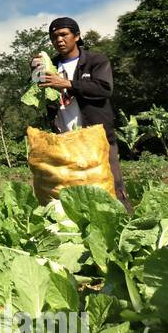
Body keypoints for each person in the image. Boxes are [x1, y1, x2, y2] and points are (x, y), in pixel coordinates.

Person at [29, 17, 132, 211]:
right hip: (64, 140)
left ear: (76, 36)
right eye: (54, 37)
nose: (58, 40)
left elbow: (104, 89)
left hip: (96, 137)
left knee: (109, 186)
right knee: (70, 188)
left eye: (63, 35)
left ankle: (125, 228)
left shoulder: (95, 61)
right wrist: (34, 72)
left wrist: (67, 83)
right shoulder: (50, 65)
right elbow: (38, 93)